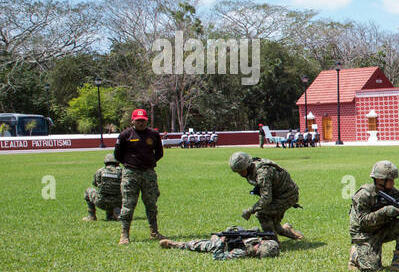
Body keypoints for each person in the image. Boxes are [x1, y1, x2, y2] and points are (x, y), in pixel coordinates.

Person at [349, 160, 399, 272]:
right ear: (379, 180)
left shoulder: (396, 195)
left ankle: (397, 262)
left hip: (383, 228)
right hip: (364, 233)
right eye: (390, 180)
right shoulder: (364, 195)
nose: (393, 183)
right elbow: (362, 222)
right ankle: (356, 254)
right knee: (372, 269)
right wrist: (385, 211)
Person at [114, 108, 164, 244]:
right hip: (131, 173)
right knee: (128, 205)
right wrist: (130, 163)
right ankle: (124, 235)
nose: (141, 123)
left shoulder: (153, 134)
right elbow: (117, 155)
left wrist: (149, 162)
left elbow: (159, 153)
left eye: (143, 121)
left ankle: (154, 232)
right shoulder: (125, 135)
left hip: (148, 174)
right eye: (138, 121)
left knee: (151, 204)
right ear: (133, 121)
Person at [229, 151, 303, 241]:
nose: (240, 174)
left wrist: (251, 210)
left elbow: (266, 198)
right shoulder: (254, 166)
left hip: (287, 196)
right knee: (274, 225)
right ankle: (291, 233)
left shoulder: (262, 174)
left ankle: (271, 242)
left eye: (240, 171)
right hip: (280, 195)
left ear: (247, 166)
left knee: (261, 213)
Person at [159, 230, 280, 260]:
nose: (262, 241)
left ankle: (175, 244)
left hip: (221, 244)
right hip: (228, 237)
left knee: (200, 245)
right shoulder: (255, 240)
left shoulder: (242, 252)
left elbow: (218, 256)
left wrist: (221, 241)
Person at [83, 153, 123, 222]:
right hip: (117, 202)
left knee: (88, 191)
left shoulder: (100, 171)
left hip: (101, 202)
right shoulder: (122, 171)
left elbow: (95, 184)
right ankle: (113, 215)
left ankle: (91, 216)